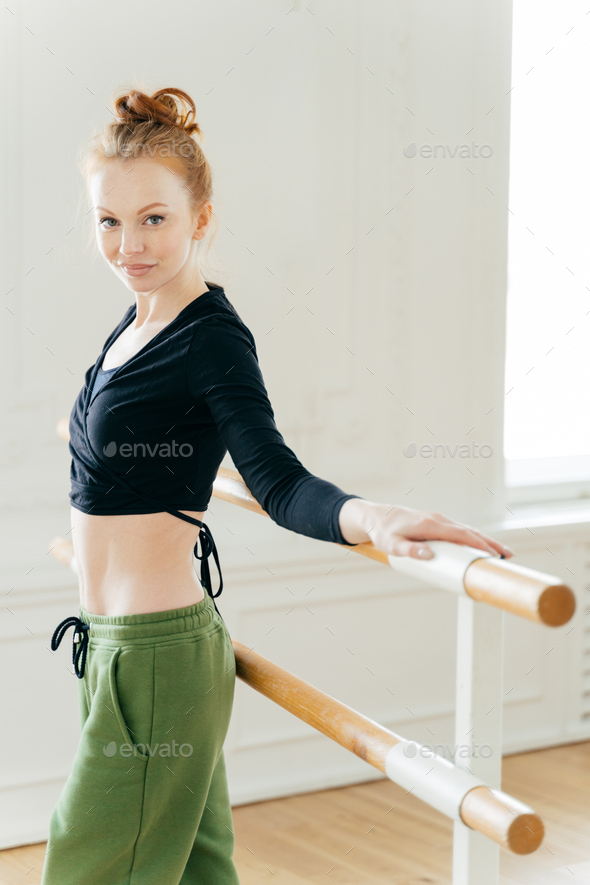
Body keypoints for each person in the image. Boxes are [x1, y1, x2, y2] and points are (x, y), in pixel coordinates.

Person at [42, 86, 514, 885]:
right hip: (116, 654)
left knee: (83, 871)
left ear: (202, 218)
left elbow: (277, 477)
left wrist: (373, 516)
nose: (129, 244)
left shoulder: (212, 337)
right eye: (109, 220)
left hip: (157, 658)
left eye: (154, 217)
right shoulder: (136, 320)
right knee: (196, 874)